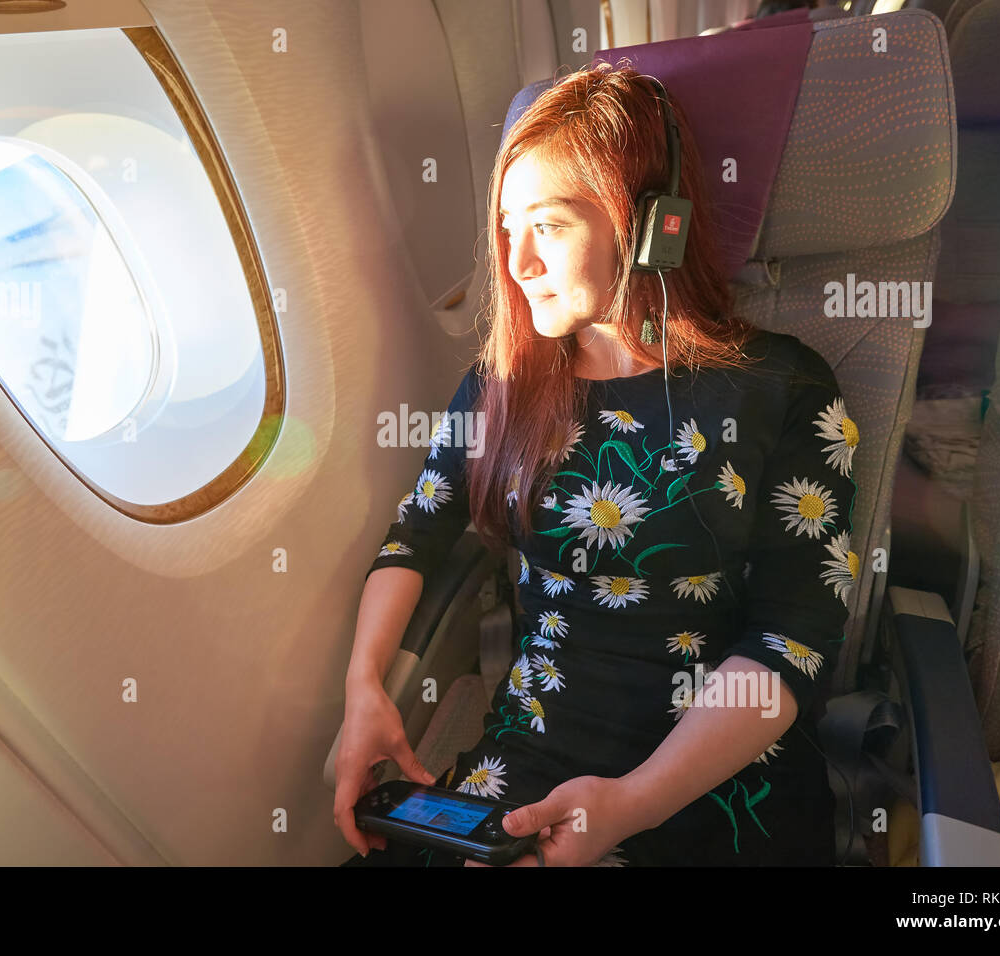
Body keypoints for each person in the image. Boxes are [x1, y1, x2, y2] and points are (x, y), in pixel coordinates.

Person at [335, 62, 859, 866]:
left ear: (651, 226)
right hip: (533, 747)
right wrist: (363, 687)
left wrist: (633, 804)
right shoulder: (503, 385)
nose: (516, 263)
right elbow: (419, 530)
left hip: (720, 762)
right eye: (506, 228)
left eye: (547, 225)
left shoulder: (783, 388)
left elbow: (792, 638)